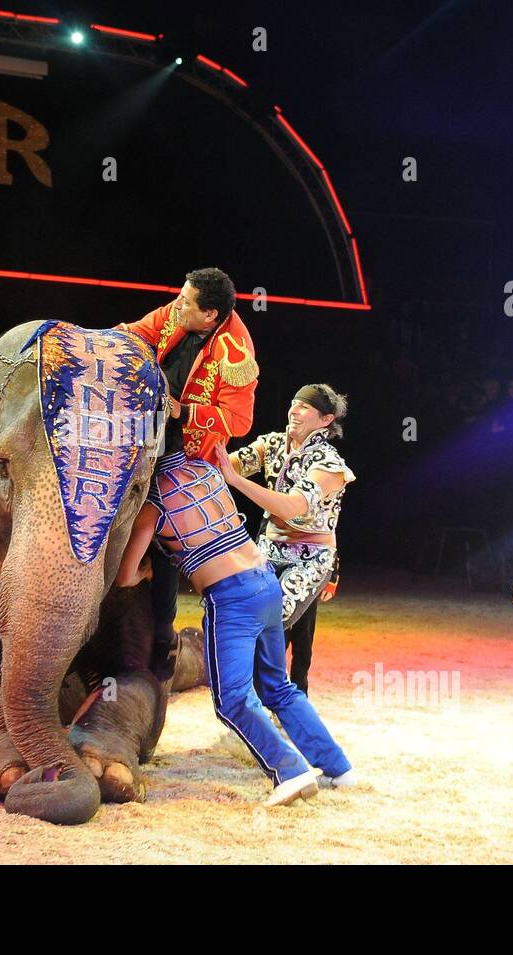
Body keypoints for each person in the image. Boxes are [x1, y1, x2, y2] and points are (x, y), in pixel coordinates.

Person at [116, 449, 354, 806]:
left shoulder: (154, 503)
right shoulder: (205, 472)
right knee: (278, 687)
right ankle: (338, 767)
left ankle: (290, 771)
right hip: (265, 582)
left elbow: (123, 577)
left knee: (232, 700)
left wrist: (148, 570)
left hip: (231, 598)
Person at [118, 268, 258, 681]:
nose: (176, 305)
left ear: (210, 315)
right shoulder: (178, 312)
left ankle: (163, 636)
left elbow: (240, 420)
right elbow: (131, 333)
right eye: (179, 298)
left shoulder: (236, 355)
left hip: (186, 457)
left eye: (185, 302)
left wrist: (186, 411)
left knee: (163, 550)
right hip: (142, 439)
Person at [218, 385, 355, 692]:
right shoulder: (272, 444)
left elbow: (292, 507)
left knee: (281, 621)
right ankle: (261, 695)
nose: (294, 410)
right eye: (293, 403)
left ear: (325, 419)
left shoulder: (329, 465)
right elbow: (225, 463)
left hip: (310, 558)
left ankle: (287, 692)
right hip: (268, 549)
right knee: (248, 614)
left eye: (304, 407)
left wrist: (235, 480)